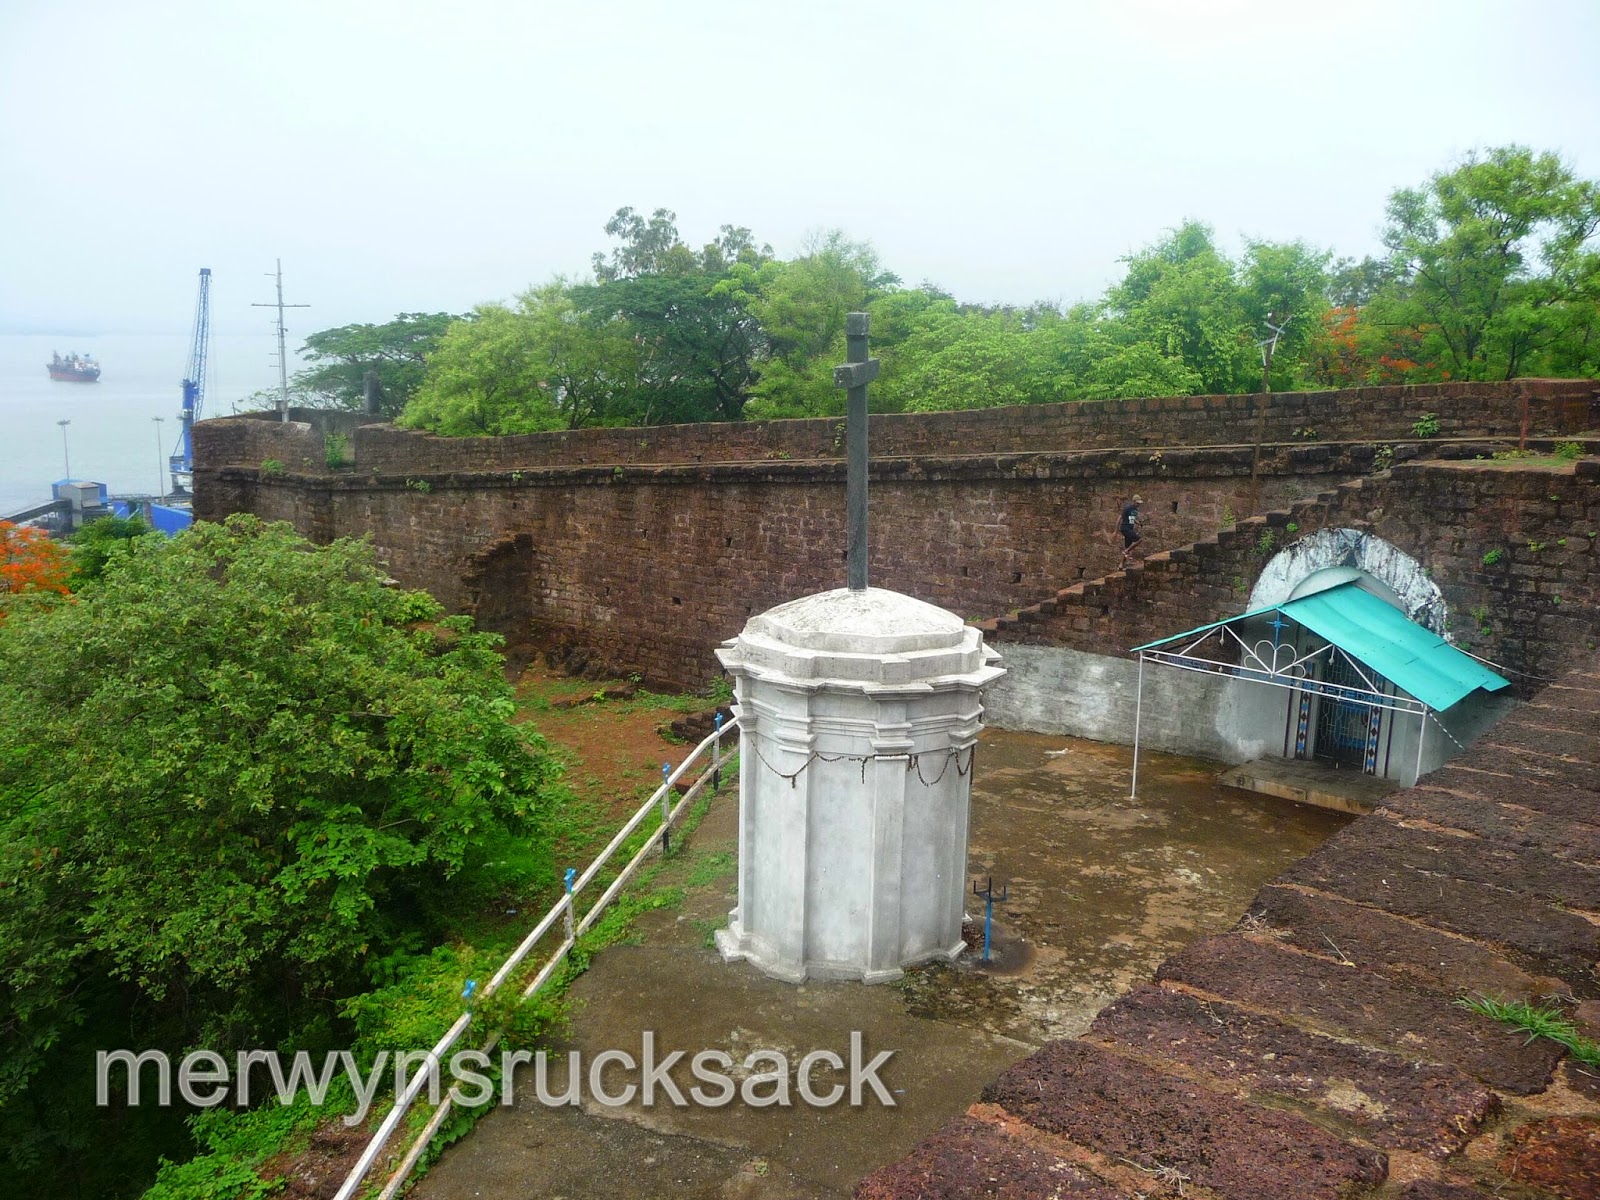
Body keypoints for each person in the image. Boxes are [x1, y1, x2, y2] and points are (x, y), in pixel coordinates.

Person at [1118, 494, 1144, 567]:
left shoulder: (1134, 509)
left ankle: (1121, 565)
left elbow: (1131, 519)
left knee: (1127, 546)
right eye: (1137, 503)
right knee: (1139, 539)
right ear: (1133, 501)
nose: (1138, 504)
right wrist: (1115, 531)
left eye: (1139, 503)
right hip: (1125, 528)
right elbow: (1119, 518)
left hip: (1128, 528)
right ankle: (1127, 551)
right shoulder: (1128, 508)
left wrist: (1138, 523)